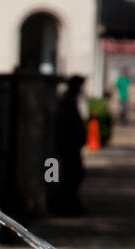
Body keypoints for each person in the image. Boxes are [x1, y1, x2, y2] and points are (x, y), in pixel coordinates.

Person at [52, 75, 87, 216]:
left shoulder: (69, 100)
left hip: (70, 146)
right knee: (68, 176)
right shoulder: (66, 102)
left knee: (74, 175)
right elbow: (67, 125)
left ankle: (69, 204)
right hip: (67, 147)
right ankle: (65, 205)